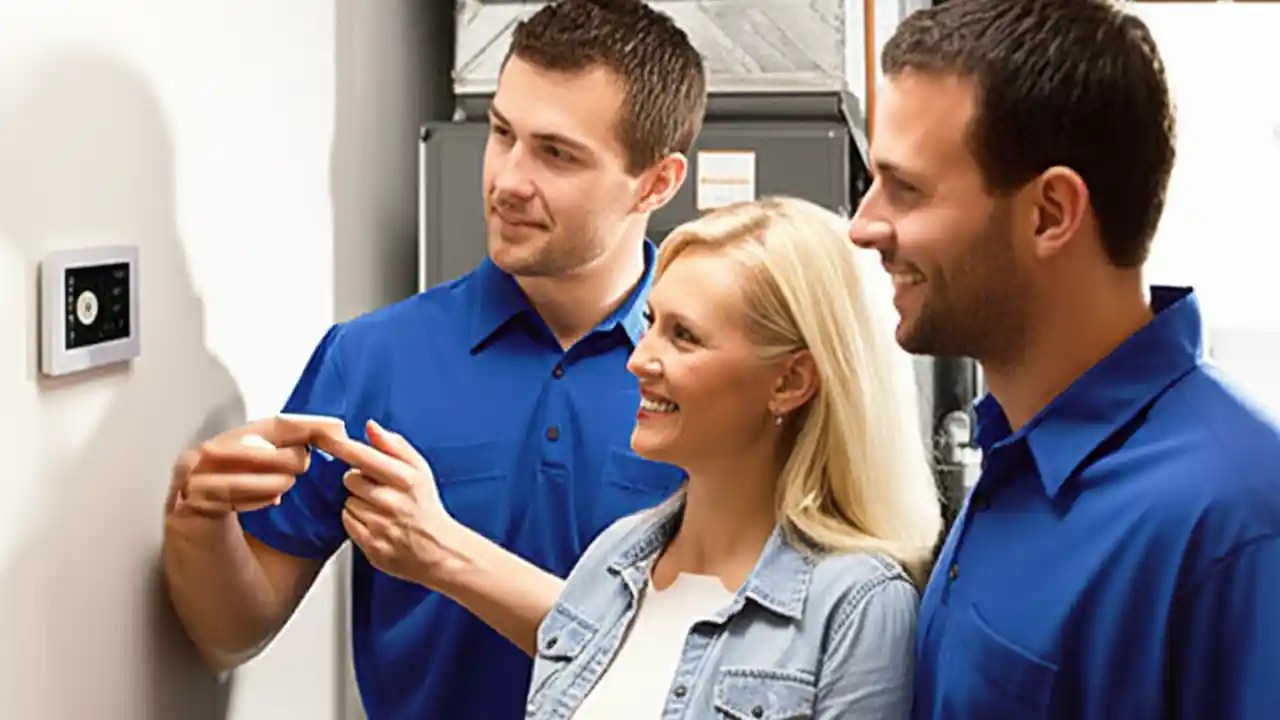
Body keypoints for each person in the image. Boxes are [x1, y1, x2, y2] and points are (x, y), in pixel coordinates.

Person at [160, 1, 707, 718]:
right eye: (502, 132)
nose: (509, 179)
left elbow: (738, 667)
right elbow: (230, 633)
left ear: (657, 183)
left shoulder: (723, 374)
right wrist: (196, 519)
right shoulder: (370, 358)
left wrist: (442, 550)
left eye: (557, 153)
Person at [319, 195, 943, 718]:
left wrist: (441, 550)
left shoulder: (858, 605)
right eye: (651, 323)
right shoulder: (614, 560)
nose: (639, 359)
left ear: (789, 382)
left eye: (685, 336)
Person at [848, 1, 1280, 718]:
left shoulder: (1235, 522)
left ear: (1050, 213)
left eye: (906, 189)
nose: (865, 224)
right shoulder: (1014, 458)